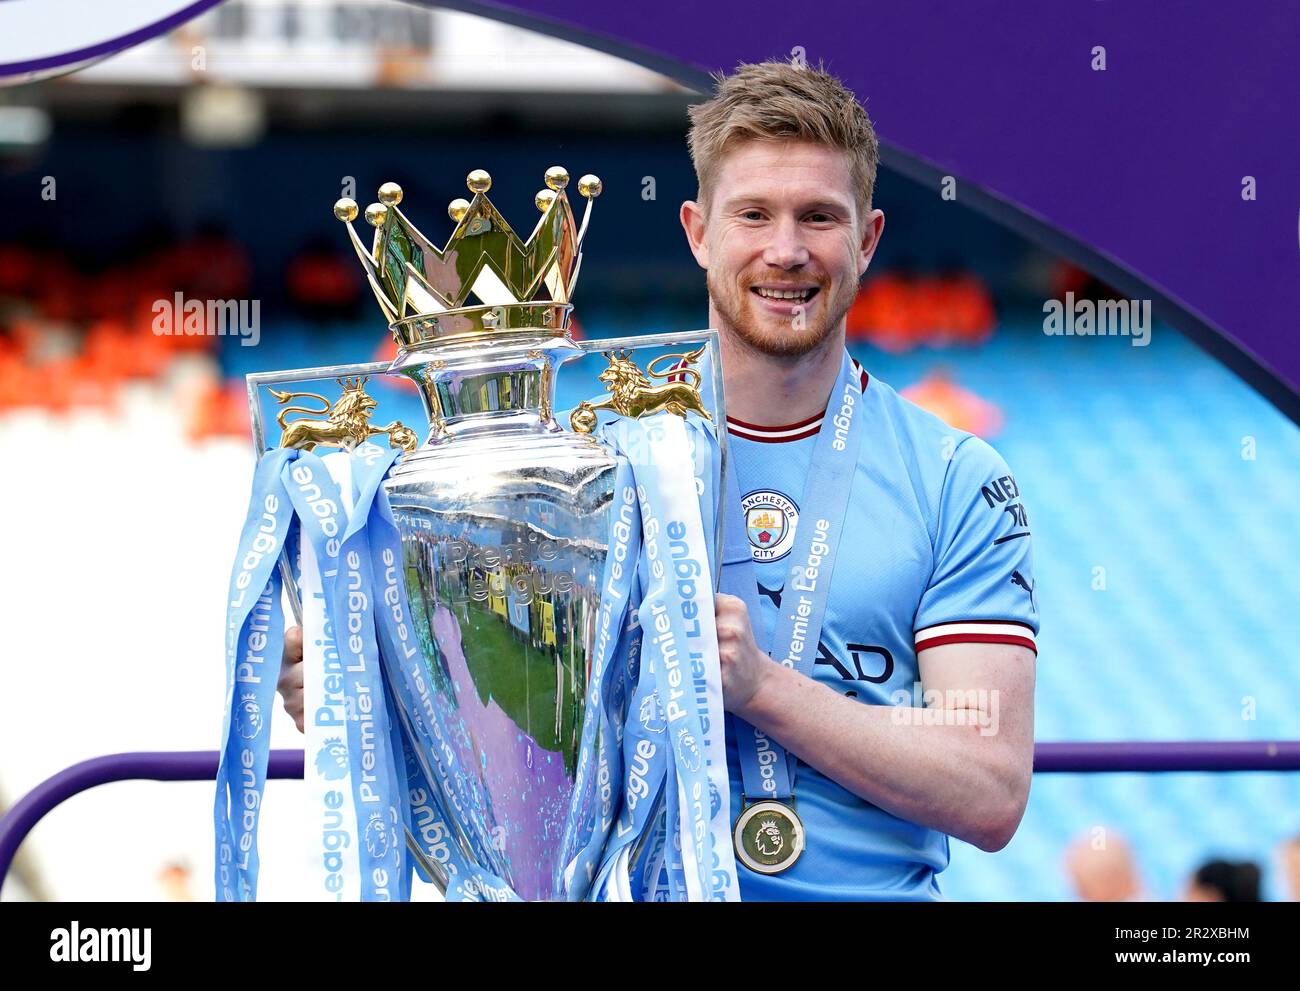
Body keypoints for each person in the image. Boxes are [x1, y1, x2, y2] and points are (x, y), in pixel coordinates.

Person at [277, 58, 1038, 900]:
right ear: (697, 231)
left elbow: (990, 787)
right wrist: (373, 697)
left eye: (819, 217)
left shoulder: (956, 478)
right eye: (754, 214)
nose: (786, 251)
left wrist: (763, 689)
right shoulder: (590, 471)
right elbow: (521, 732)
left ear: (867, 239)